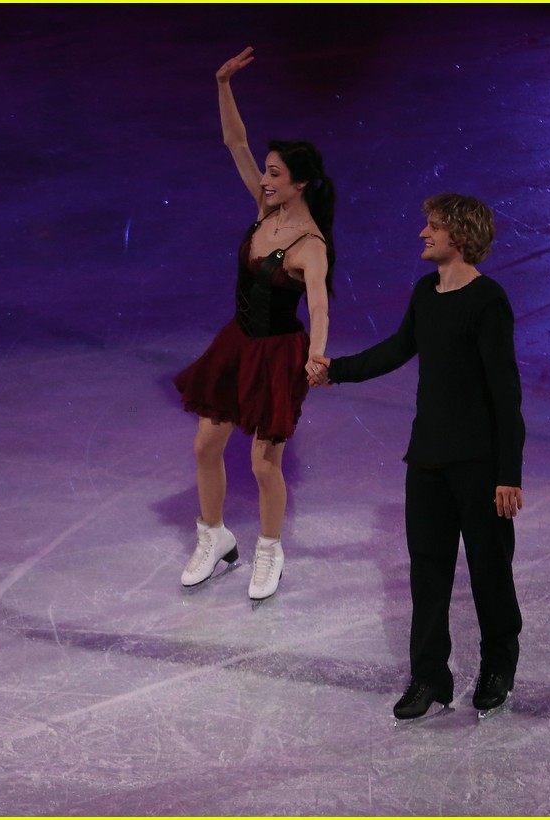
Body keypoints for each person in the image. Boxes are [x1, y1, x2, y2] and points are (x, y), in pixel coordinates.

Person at [307, 193, 524, 719]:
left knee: (489, 569)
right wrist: (336, 369)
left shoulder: (487, 301)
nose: (423, 234)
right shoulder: (426, 293)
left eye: (433, 227)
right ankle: (430, 676)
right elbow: (396, 349)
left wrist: (507, 474)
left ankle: (499, 665)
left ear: (461, 236)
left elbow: (505, 394)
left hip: (478, 466)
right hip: (426, 459)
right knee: (428, 573)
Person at [173, 46, 335, 601]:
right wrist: (222, 83)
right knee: (203, 447)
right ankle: (214, 537)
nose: (264, 180)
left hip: (277, 354)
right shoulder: (265, 210)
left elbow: (319, 303)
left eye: (274, 174)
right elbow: (235, 142)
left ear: (300, 183)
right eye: (265, 173)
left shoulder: (310, 243)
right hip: (236, 342)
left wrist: (317, 354)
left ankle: (269, 550)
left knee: (264, 463)